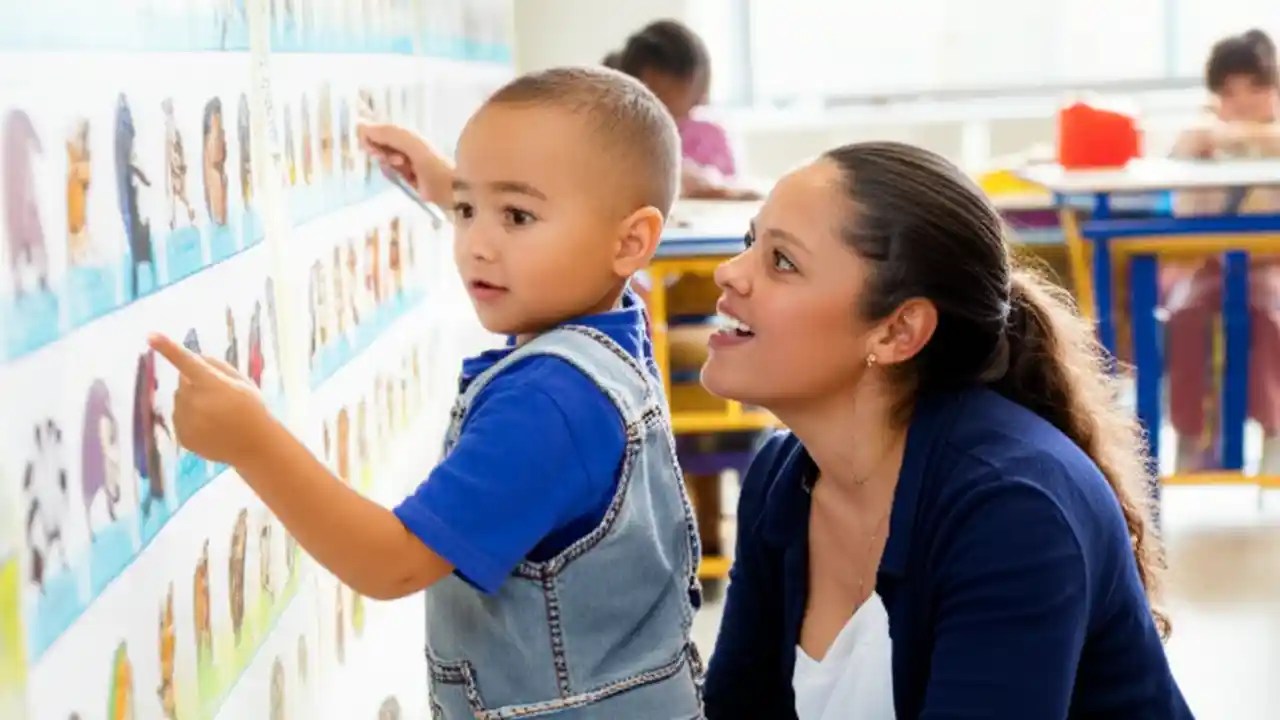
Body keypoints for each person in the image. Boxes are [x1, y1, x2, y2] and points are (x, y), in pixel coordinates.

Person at [148, 66, 705, 718]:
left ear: (630, 242)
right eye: (468, 211)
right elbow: (554, 236)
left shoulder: (547, 406)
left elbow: (392, 564)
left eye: (517, 215)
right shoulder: (615, 320)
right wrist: (450, 184)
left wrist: (252, 441)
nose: (476, 244)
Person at [700, 142, 1194, 718]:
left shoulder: (1012, 510)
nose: (728, 272)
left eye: (782, 261)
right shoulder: (782, 476)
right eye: (748, 243)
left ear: (897, 331)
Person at [1167, 28, 1280, 474]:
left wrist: (1246, 138)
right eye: (1231, 93)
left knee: (1269, 316)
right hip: (1211, 263)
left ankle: (1274, 429)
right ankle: (1193, 436)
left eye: (1257, 89)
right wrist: (1217, 143)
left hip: (1270, 265)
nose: (1245, 102)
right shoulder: (1201, 139)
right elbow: (1185, 208)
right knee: (1184, 316)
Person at [604, 19, 760, 200]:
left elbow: (739, 189)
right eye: (657, 96)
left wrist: (713, 186)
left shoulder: (711, 134)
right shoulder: (620, 135)